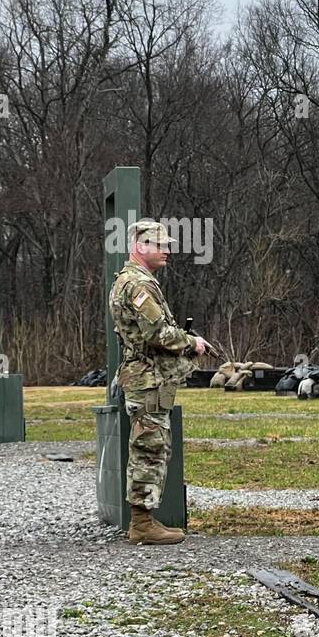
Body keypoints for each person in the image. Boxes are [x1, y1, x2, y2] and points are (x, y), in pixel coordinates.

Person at [108, 219, 206, 545]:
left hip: (147, 377)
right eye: (160, 245)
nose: (167, 250)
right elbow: (157, 334)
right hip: (147, 379)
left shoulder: (134, 281)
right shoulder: (138, 285)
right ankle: (142, 524)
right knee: (149, 447)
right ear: (140, 247)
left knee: (152, 444)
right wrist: (193, 344)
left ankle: (145, 521)